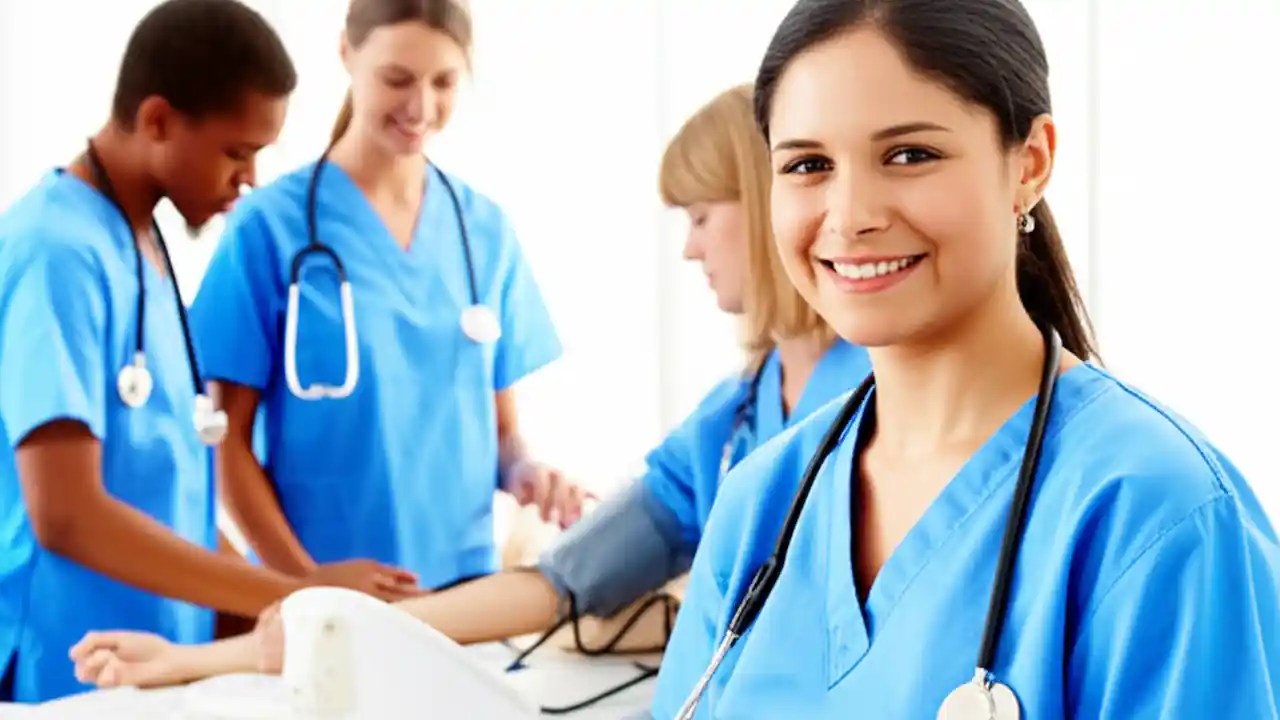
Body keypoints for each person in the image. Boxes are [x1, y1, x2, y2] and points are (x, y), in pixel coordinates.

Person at [66, 83, 874, 692]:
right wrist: (205, 656)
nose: (691, 250)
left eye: (700, 215)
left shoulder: (883, 395)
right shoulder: (729, 420)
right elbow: (556, 582)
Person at [645, 1, 1280, 718]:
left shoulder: (1156, 513)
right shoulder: (762, 502)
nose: (851, 214)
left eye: (910, 155)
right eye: (809, 164)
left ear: (1029, 163)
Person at [0, 0, 415, 704]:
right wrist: (298, 589)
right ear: (157, 120)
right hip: (66, 671)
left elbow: (171, 500)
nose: (249, 178)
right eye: (236, 151)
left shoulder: (143, 249)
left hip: (156, 663)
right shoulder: (57, 251)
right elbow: (66, 513)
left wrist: (286, 617)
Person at [183, 0, 583, 596]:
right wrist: (304, 583)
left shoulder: (483, 230)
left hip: (466, 590)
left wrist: (527, 470)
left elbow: (500, 432)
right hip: (330, 591)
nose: (420, 108)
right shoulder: (268, 228)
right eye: (397, 79)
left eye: (444, 82)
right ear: (346, 53)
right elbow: (226, 448)